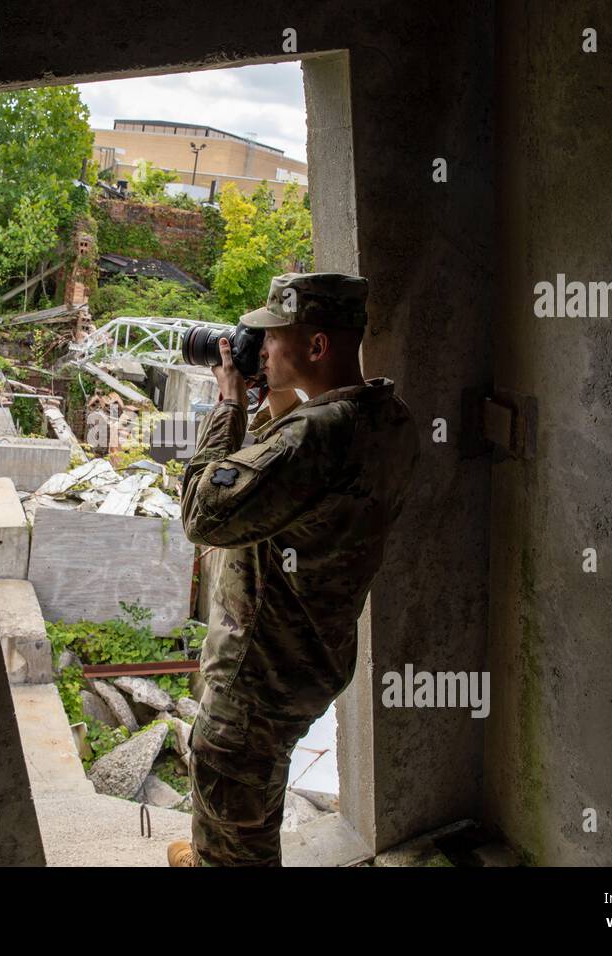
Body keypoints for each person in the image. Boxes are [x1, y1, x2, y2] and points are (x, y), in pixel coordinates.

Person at [167, 272, 419, 867]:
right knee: (259, 782)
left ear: (316, 346)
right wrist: (275, 397)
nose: (261, 350)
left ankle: (224, 859)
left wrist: (229, 402)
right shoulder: (388, 417)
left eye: (271, 338)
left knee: (232, 788)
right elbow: (296, 480)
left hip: (259, 669)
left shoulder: (314, 436)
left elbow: (204, 515)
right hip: (314, 656)